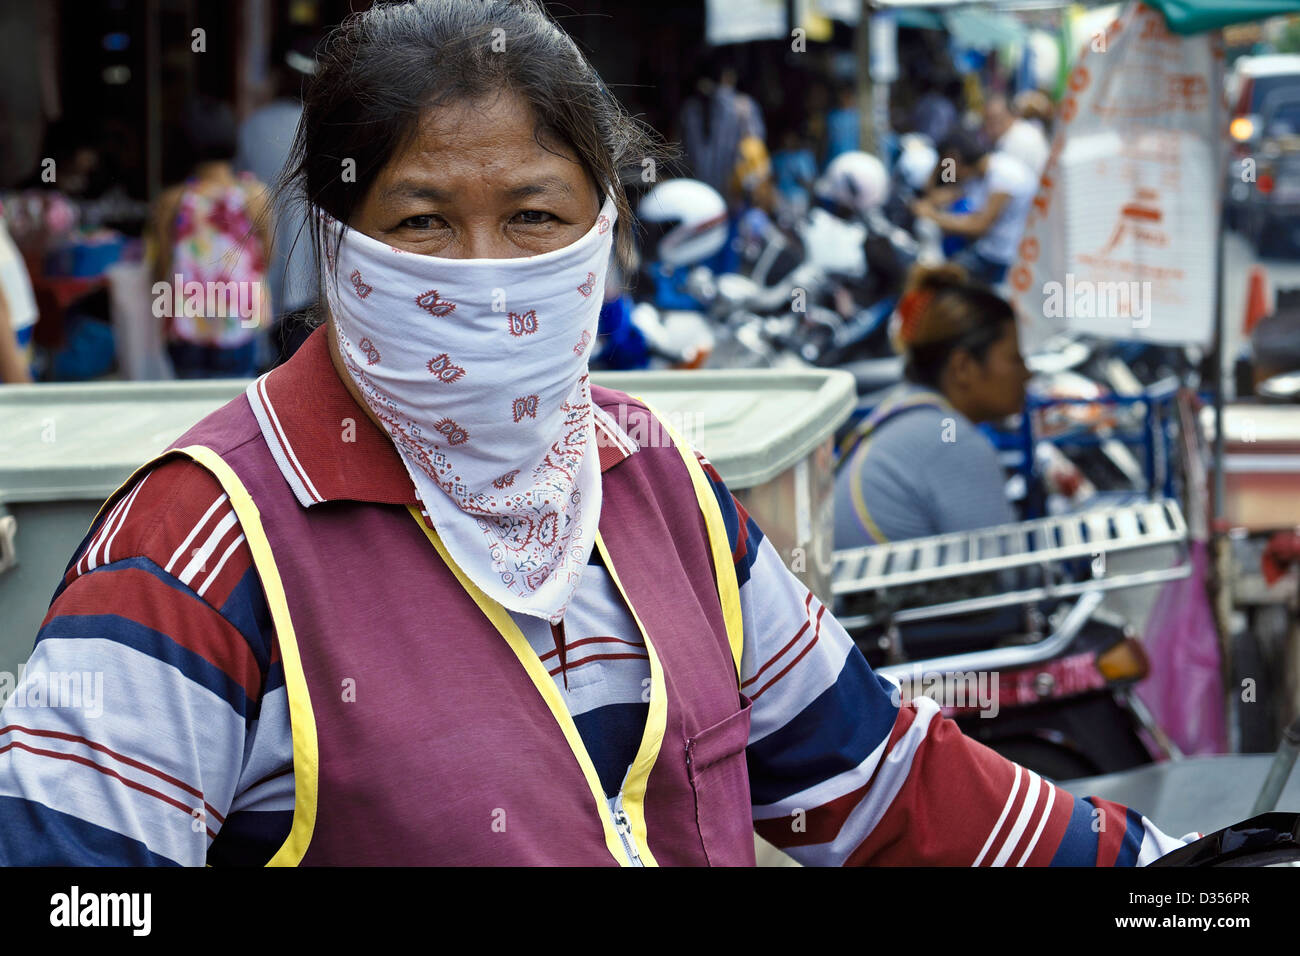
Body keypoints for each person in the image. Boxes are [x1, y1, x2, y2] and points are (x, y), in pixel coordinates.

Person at [0, 0, 1196, 867]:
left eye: (533, 215)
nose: (483, 274)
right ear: (338, 237)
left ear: (602, 232)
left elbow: (874, 781)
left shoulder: (657, 484)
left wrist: (1160, 867)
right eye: (421, 220)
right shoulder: (198, 546)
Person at [835, 264, 1030, 548]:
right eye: (1015, 358)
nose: (1027, 373)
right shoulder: (953, 444)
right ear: (962, 367)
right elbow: (1006, 574)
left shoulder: (907, 412)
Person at [148, 96, 273, 378]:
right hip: (239, 324)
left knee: (189, 415)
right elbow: (267, 259)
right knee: (235, 413)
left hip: (187, 326)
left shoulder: (173, 200)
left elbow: (162, 267)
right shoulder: (254, 196)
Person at [235, 38, 322, 367]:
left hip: (262, 256)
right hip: (308, 260)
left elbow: (237, 189)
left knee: (264, 364)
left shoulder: (253, 126)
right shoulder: (320, 124)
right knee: (300, 360)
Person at [914, 130, 1037, 286]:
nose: (948, 172)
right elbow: (938, 195)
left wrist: (932, 216)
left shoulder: (1004, 175)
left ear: (955, 159)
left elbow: (978, 226)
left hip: (1002, 260)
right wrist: (935, 174)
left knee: (939, 281)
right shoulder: (977, 175)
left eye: (948, 165)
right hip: (986, 252)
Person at [983, 93, 1050, 178]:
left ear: (1010, 114)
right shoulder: (1016, 133)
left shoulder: (1020, 138)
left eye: (995, 119)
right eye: (987, 120)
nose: (990, 126)